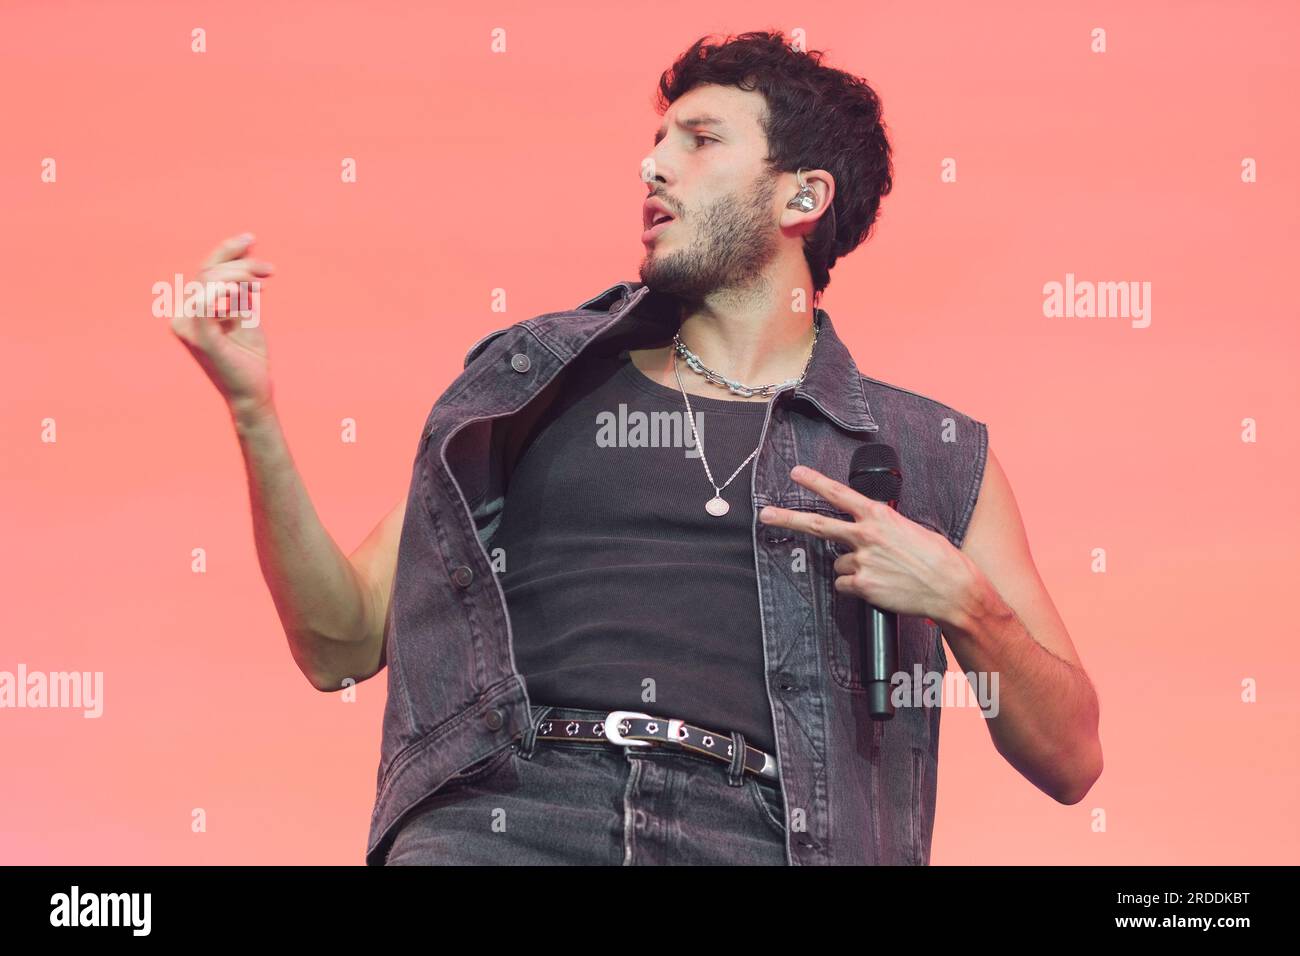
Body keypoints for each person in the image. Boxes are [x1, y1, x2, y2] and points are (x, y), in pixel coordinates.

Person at [171, 31, 1102, 866]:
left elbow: (1071, 758)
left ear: (803, 196)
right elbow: (338, 642)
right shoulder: (537, 382)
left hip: (772, 837)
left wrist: (966, 605)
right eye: (659, 143)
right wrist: (253, 412)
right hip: (512, 819)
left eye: (700, 142)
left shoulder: (924, 451)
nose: (653, 167)